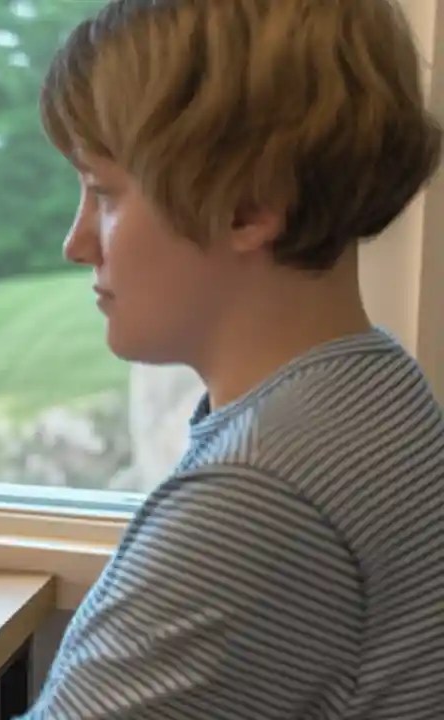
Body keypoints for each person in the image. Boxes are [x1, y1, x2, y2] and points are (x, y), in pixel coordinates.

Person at [24, 1, 442, 718]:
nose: (77, 243)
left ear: (249, 206)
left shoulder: (260, 494)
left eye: (103, 194)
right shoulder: (372, 384)